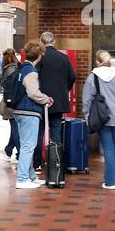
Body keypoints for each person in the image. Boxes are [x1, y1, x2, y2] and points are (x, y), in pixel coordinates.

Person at [81, 50, 115, 190]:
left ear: (97, 61)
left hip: (102, 118)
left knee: (108, 148)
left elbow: (87, 100)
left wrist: (86, 115)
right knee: (113, 147)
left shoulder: (93, 77)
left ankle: (111, 182)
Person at [11, 42, 53, 189]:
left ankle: (31, 176)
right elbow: (33, 92)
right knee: (28, 146)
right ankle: (22, 179)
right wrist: (46, 98)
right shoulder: (32, 72)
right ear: (39, 55)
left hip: (19, 110)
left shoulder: (22, 68)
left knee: (25, 145)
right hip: (29, 111)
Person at [36, 31, 76, 164]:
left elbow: (34, 77)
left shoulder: (39, 57)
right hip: (58, 100)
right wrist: (65, 89)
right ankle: (55, 162)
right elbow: (72, 77)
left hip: (40, 100)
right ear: (54, 42)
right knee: (56, 130)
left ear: (41, 42)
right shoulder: (63, 58)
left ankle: (37, 162)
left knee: (39, 131)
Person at [0, 48, 21, 165]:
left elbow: (3, 84)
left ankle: (20, 154)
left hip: (11, 103)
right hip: (18, 102)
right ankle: (8, 150)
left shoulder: (8, 69)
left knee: (15, 129)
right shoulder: (18, 67)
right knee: (15, 128)